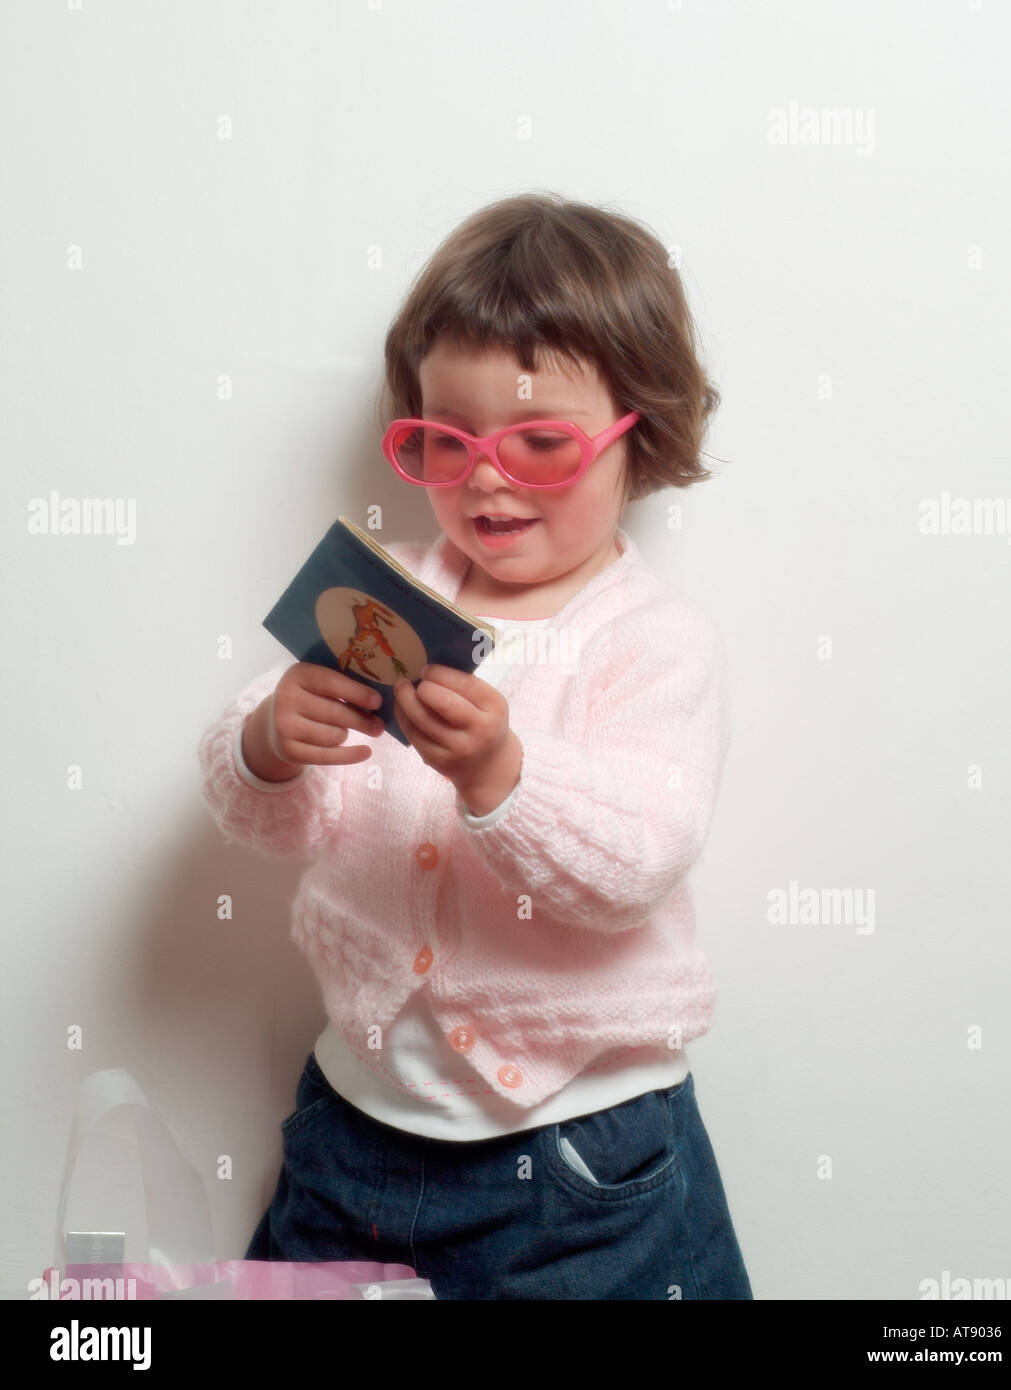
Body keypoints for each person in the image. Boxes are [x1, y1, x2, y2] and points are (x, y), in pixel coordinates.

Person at [197, 191, 753, 1300]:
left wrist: (506, 775)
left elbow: (636, 859)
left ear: (634, 435)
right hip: (353, 1125)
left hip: (580, 1156)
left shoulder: (655, 643)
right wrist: (270, 743)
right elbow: (269, 810)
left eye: (537, 442)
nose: (486, 478)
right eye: (443, 443)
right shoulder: (382, 596)